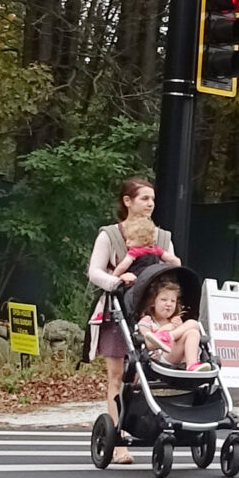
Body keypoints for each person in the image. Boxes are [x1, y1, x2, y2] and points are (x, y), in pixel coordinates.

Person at [85, 178, 177, 461]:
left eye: (152, 199)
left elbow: (171, 266)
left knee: (142, 374)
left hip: (150, 314)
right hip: (118, 312)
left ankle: (143, 425)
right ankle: (118, 439)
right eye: (144, 199)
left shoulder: (162, 237)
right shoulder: (110, 236)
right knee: (116, 376)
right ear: (127, 201)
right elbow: (94, 272)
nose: (150, 204)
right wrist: (117, 280)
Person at [134, 276, 209, 371]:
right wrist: (164, 329)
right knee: (192, 325)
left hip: (180, 356)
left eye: (173, 301)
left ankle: (192, 364)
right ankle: (164, 337)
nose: (169, 304)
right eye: (164, 300)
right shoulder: (147, 320)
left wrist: (178, 327)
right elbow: (148, 343)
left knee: (193, 329)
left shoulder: (175, 321)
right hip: (160, 358)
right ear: (153, 302)